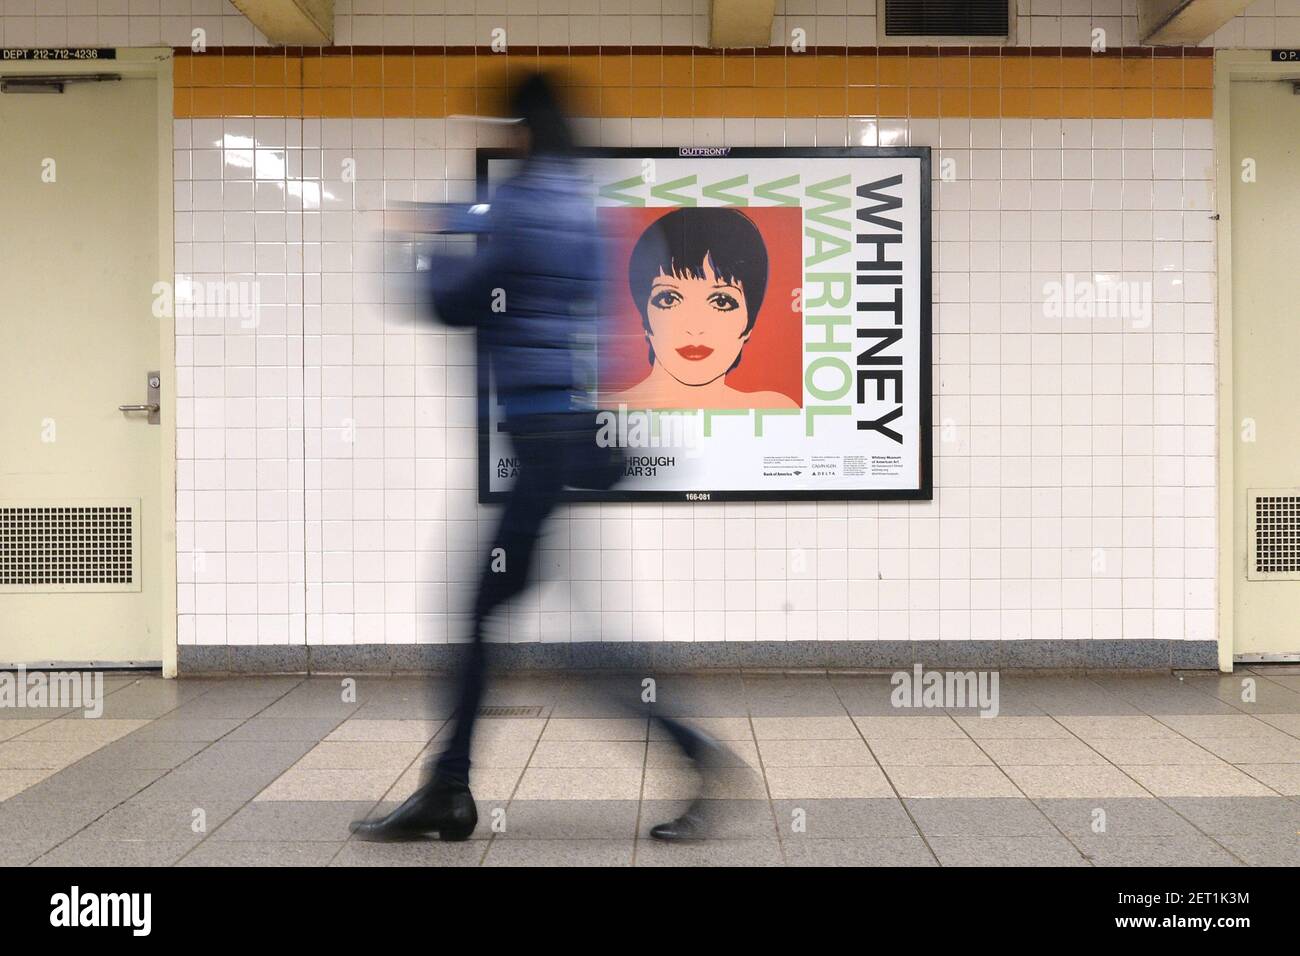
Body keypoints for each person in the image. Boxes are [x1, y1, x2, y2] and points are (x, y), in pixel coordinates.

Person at [350, 71, 733, 844]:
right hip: (565, 437)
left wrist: (410, 247)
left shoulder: (522, 207)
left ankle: (453, 792)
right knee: (549, 626)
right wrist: (452, 219)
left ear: (520, 131)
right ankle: (453, 787)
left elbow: (451, 301)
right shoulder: (581, 207)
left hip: (538, 446)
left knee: (502, 619)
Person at [603, 207, 797, 410]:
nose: (694, 327)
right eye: (669, 299)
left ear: (749, 323)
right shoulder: (610, 412)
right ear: (645, 318)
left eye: (721, 302)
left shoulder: (774, 409)